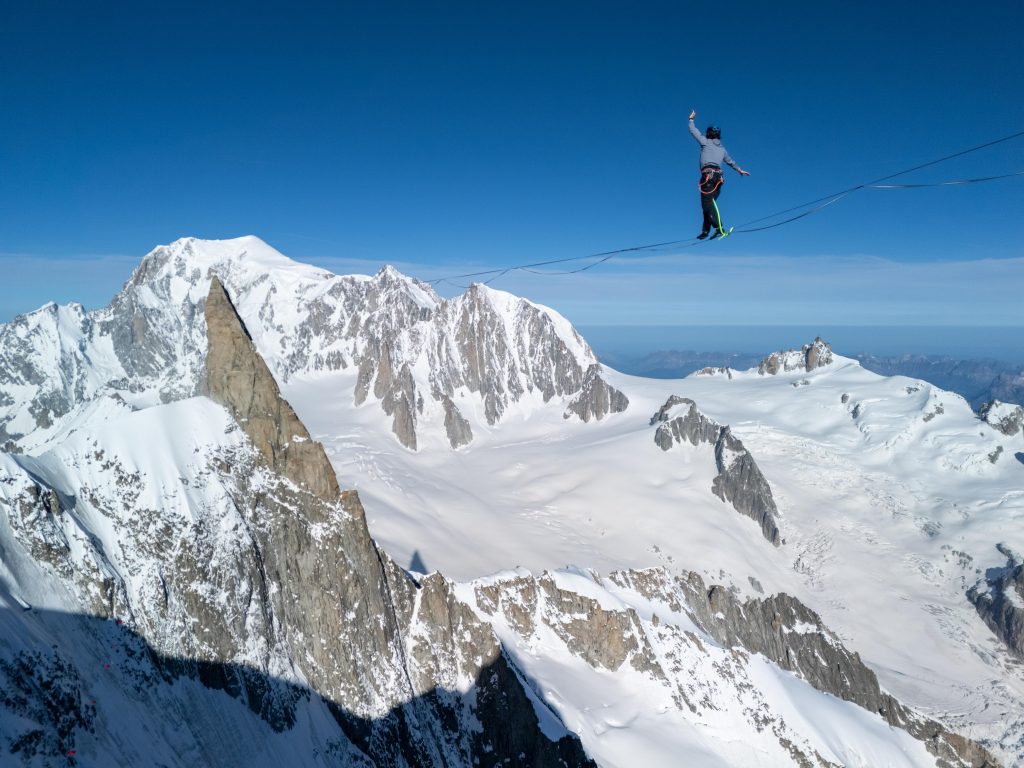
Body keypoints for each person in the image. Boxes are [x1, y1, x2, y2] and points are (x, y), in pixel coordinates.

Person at [688, 109, 749, 239]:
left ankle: (719, 228)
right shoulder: (722, 149)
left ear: (709, 134)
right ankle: (706, 230)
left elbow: (694, 132)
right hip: (718, 179)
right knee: (709, 205)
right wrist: (739, 170)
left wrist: (691, 120)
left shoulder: (705, 141)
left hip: (708, 177)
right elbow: (730, 162)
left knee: (707, 204)